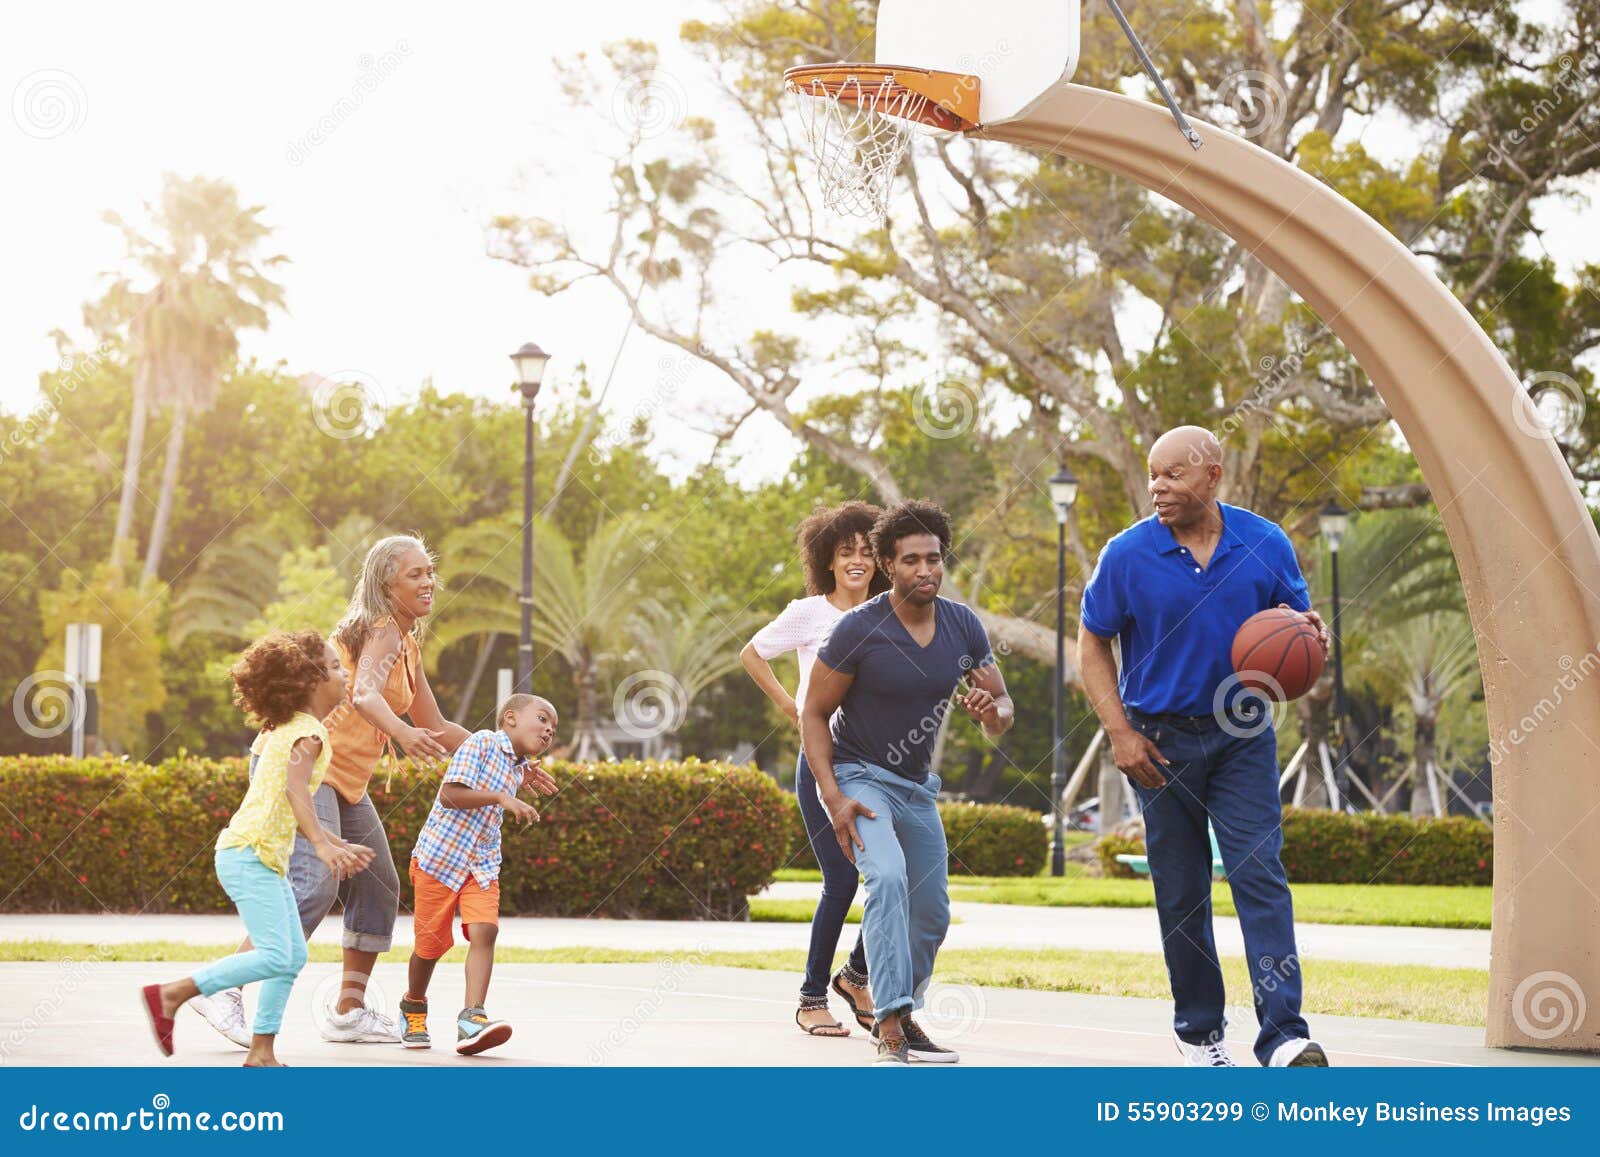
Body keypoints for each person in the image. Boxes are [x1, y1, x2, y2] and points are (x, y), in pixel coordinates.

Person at [191, 535, 557, 1046]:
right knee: (315, 881)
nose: (428, 581)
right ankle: (224, 989)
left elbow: (436, 722)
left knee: (379, 884)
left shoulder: (405, 643)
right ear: (387, 582)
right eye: (415, 574)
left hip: (345, 781)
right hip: (306, 766)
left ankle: (349, 1010)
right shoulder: (381, 629)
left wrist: (508, 755)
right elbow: (363, 691)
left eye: (430, 571)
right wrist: (403, 734)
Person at [1077, 425, 1333, 1068]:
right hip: (1156, 742)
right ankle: (1200, 1034)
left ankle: (1284, 1035)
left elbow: (1296, 630)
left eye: (1172, 475)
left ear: (1213, 476)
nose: (1157, 487)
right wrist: (1120, 733)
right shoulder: (1127, 554)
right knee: (1182, 890)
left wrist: (1311, 638)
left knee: (1259, 876)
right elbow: (1092, 644)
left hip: (1242, 734)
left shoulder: (1265, 542)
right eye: (1152, 474)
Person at [802, 499, 1014, 1065]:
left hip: (915, 786)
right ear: (887, 564)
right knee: (888, 879)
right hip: (858, 774)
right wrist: (834, 797)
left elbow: (1003, 704)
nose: (926, 570)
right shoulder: (859, 629)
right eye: (912, 560)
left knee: (932, 909)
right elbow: (813, 713)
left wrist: (990, 712)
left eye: (934, 559)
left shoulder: (961, 624)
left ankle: (896, 1004)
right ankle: (891, 1025)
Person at [141, 630, 375, 1066]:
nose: (345, 675)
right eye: (337, 667)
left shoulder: (287, 729)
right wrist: (323, 845)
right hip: (248, 855)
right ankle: (174, 994)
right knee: (275, 954)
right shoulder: (309, 733)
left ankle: (261, 1051)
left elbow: (279, 803)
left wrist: (335, 842)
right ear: (311, 681)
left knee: (291, 956)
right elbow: (293, 791)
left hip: (255, 856)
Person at [741, 501, 888, 1038]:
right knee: (843, 878)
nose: (856, 560)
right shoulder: (809, 612)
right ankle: (811, 996)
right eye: (845, 551)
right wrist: (791, 707)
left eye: (867, 552)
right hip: (822, 758)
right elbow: (752, 653)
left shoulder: (887, 613)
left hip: (876, 763)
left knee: (898, 879)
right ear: (827, 559)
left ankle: (857, 975)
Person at [399, 693, 559, 1055]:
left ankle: (472, 1017)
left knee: (485, 931)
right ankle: (413, 1005)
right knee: (429, 947)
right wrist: (503, 797)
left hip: (481, 865)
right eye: (544, 718)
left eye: (554, 727)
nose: (549, 729)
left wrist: (519, 776)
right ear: (510, 718)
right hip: (439, 861)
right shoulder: (481, 743)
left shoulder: (518, 766)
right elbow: (450, 795)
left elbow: (510, 773)